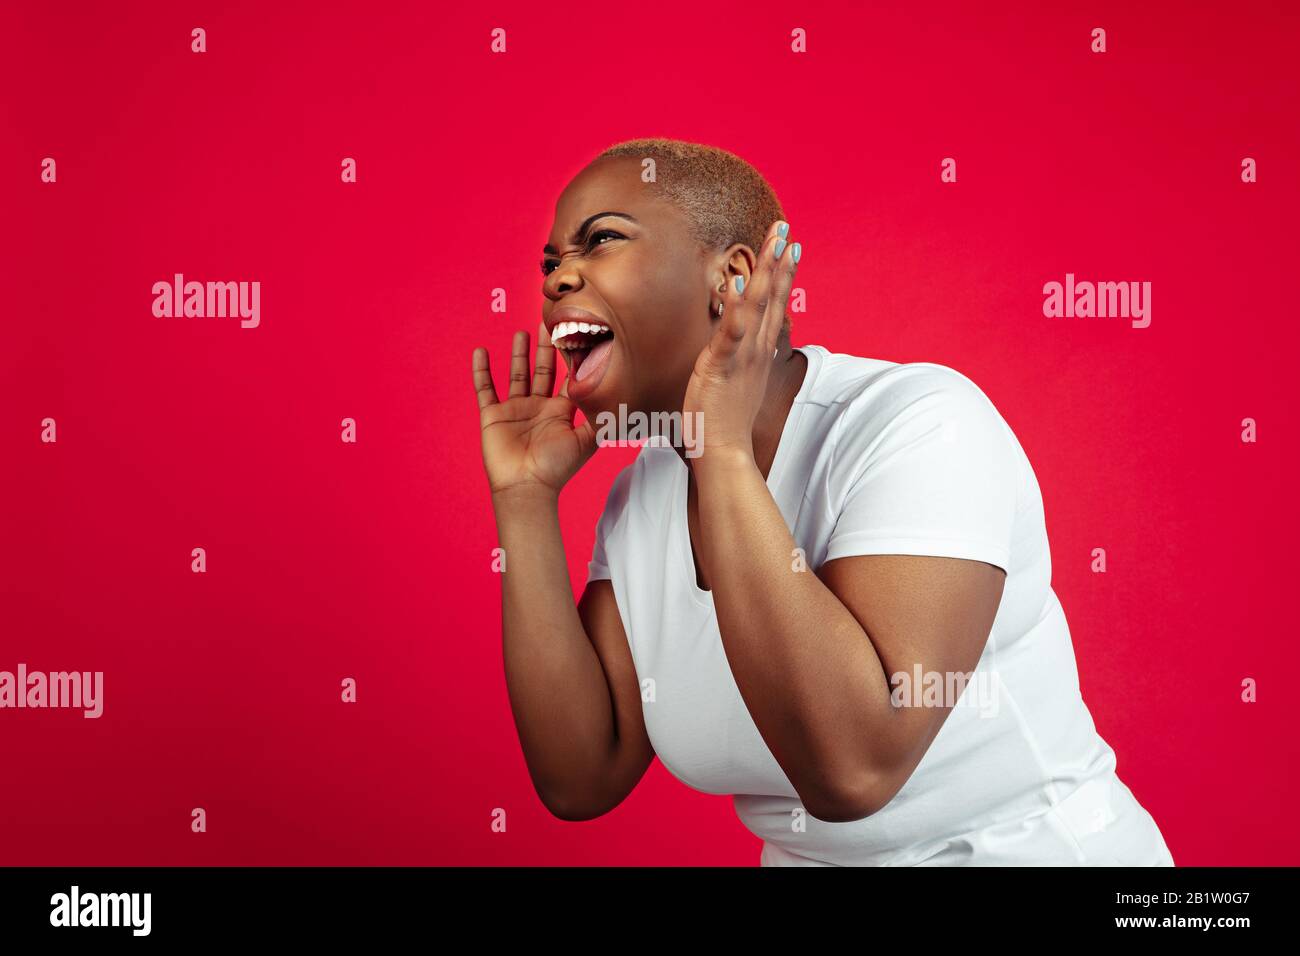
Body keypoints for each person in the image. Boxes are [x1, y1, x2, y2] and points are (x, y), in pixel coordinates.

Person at [470, 137, 1175, 866]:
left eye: (602, 240)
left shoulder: (921, 424)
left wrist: (725, 450)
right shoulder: (641, 498)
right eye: (552, 263)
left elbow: (855, 768)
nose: (559, 279)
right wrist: (523, 501)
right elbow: (582, 774)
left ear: (731, 278)